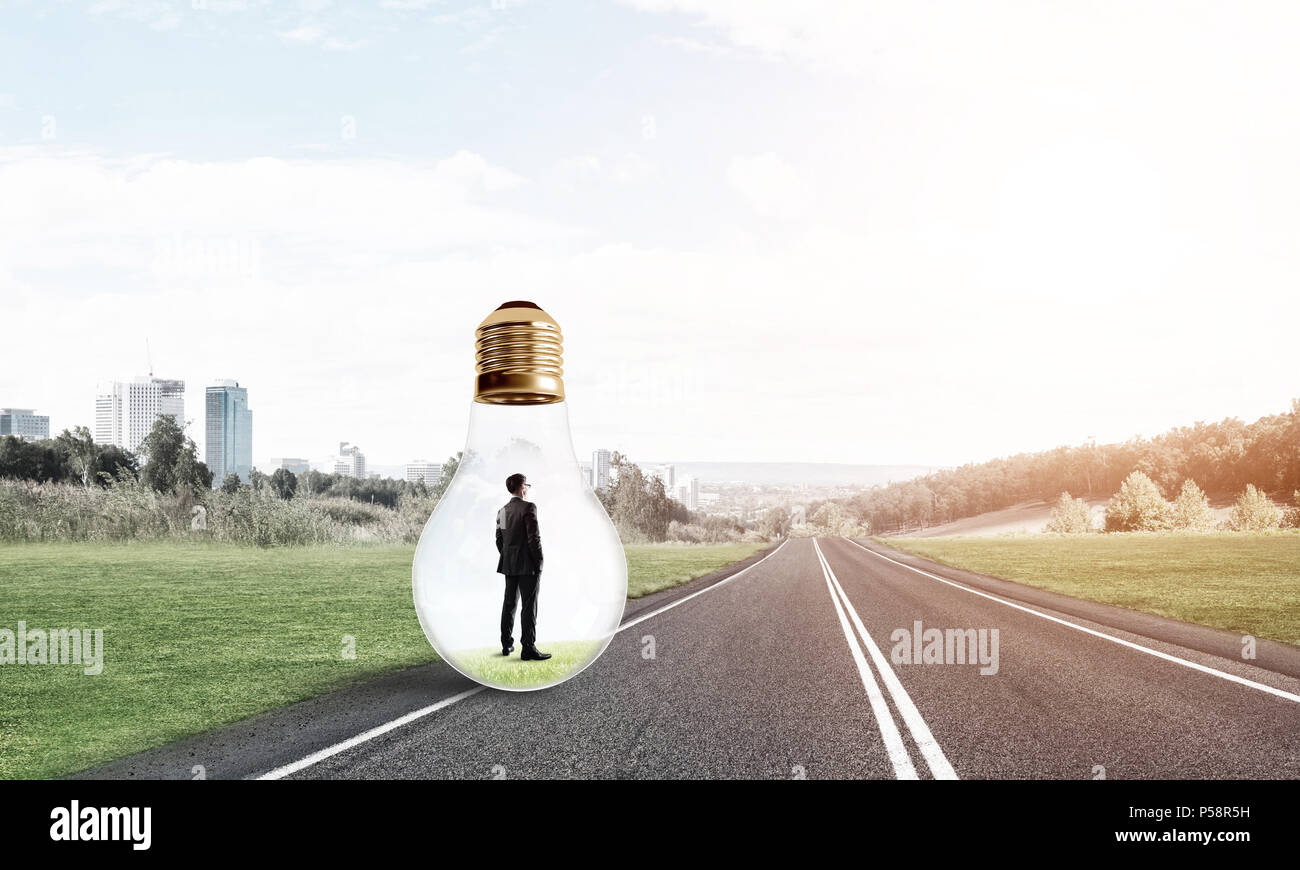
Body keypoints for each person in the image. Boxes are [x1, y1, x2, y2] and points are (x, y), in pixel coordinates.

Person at [496, 473, 551, 661]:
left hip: (509, 564)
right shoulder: (529, 507)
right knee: (529, 606)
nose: (527, 488)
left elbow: (499, 539)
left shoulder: (502, 511)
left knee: (509, 604)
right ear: (521, 487)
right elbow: (533, 538)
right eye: (526, 485)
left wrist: (508, 557)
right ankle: (528, 647)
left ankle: (506, 644)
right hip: (528, 565)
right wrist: (540, 561)